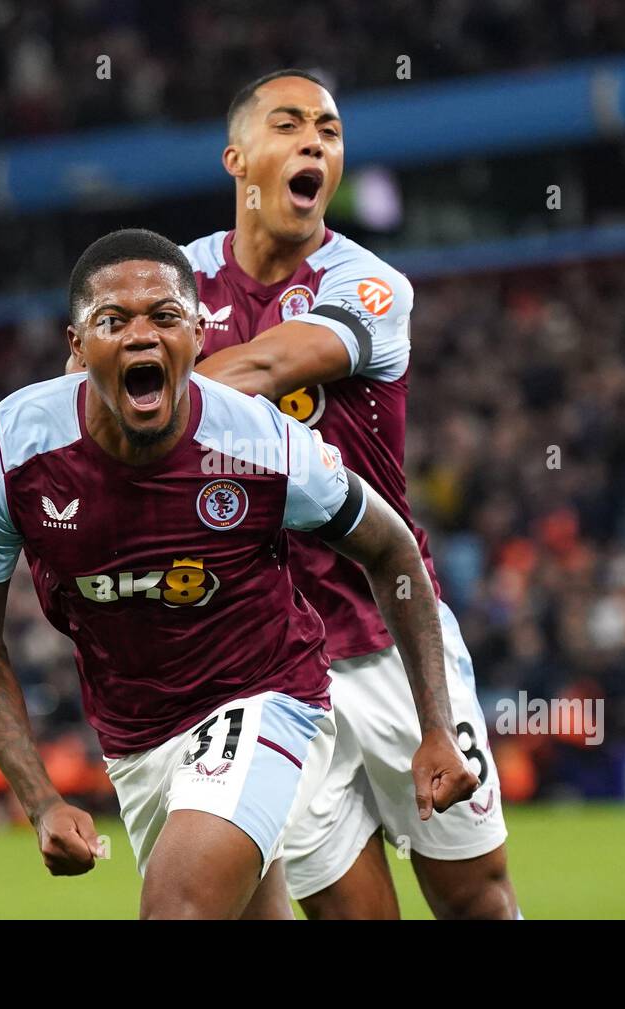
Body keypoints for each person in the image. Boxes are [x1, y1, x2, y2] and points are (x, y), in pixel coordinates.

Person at [0, 228, 476, 919]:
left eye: (164, 317)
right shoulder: (7, 453)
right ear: (76, 347)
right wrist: (40, 798)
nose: (141, 337)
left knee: (178, 909)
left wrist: (435, 722)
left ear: (198, 335)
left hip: (265, 693)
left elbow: (392, 548)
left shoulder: (259, 440)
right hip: (137, 737)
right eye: (113, 321)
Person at [187, 69, 517, 919]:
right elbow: (90, 362)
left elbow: (263, 367)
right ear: (237, 159)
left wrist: (133, 395)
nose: (314, 143)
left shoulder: (369, 285)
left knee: (476, 897)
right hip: (275, 670)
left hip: (389, 642)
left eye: (329, 131)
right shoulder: (177, 286)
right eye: (290, 125)